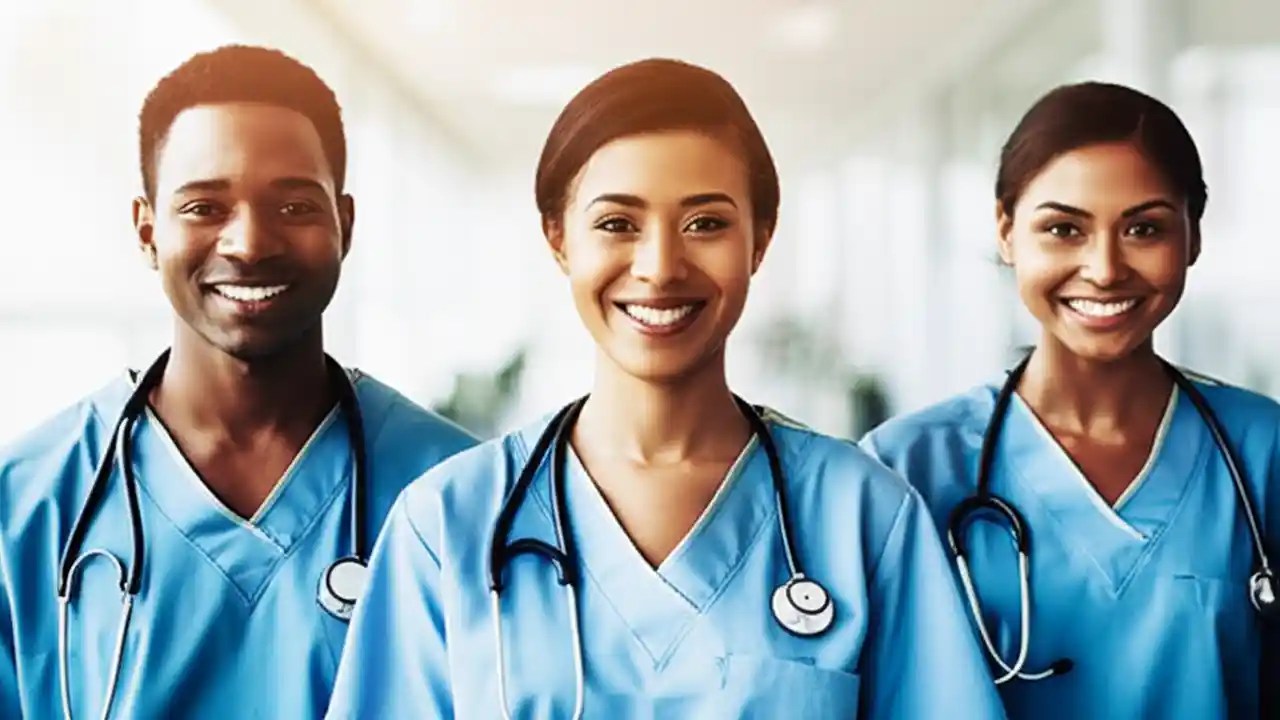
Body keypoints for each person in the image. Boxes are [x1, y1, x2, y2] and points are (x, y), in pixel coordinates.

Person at [324, 58, 1005, 719]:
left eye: (705, 223)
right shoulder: (448, 523)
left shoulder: (863, 515)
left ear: (759, 241)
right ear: (559, 240)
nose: (659, 267)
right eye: (617, 224)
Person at [0, 45, 477, 718]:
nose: (250, 243)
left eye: (293, 207)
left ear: (345, 224)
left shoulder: (457, 491)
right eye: (203, 207)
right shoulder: (27, 504)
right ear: (147, 230)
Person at [860, 81, 1280, 719]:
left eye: (1143, 228)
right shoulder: (906, 467)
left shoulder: (1264, 451)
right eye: (1063, 229)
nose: (1105, 268)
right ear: (1006, 233)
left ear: (1192, 236)